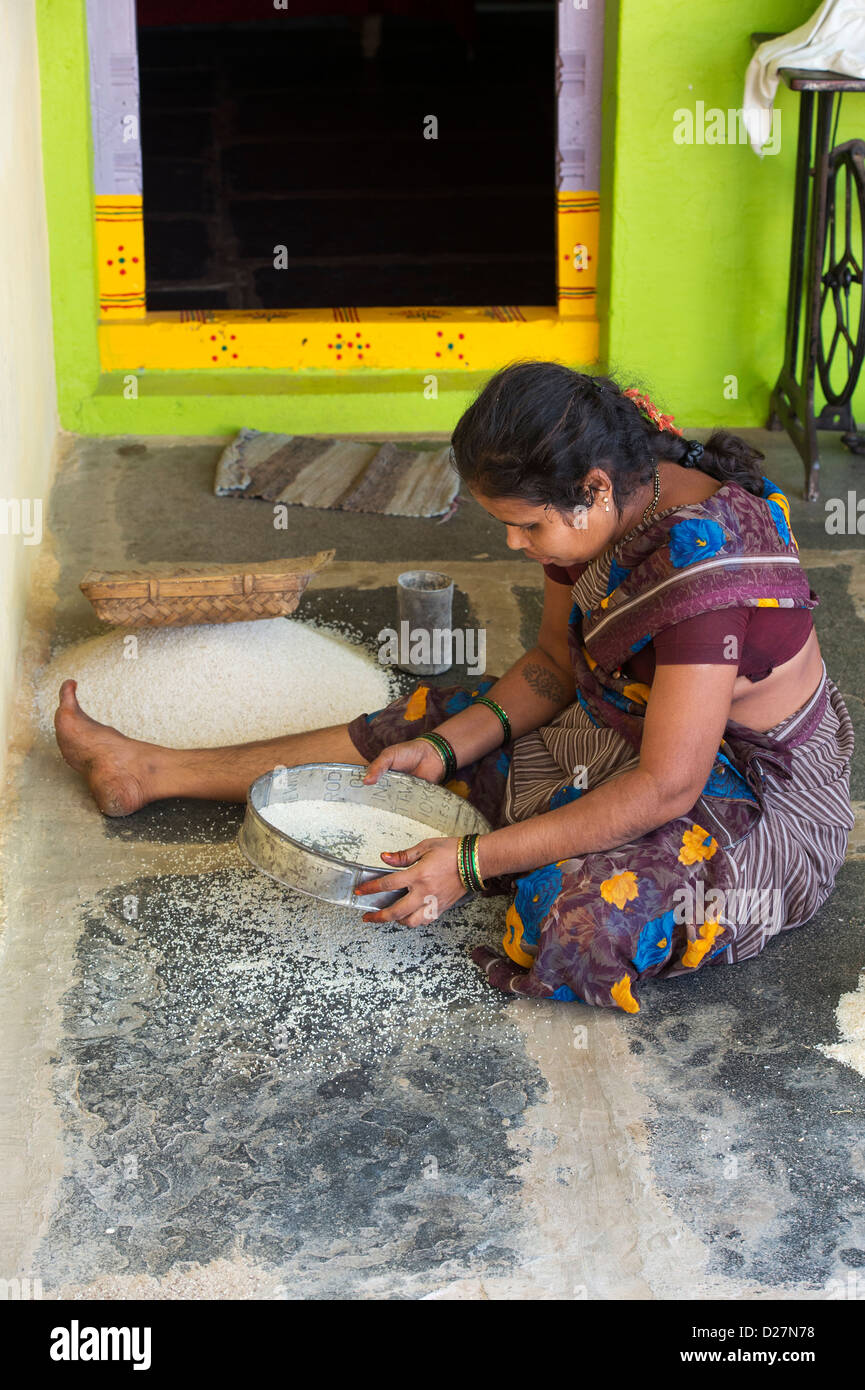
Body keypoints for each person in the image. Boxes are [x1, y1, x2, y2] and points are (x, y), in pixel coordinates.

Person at [54, 363, 854, 1013]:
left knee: (574, 920)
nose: (513, 543)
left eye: (527, 526)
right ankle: (153, 769)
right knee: (428, 724)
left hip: (752, 794)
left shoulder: (702, 569)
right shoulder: (592, 518)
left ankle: (494, 848)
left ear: (597, 488)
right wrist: (442, 748)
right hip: (639, 738)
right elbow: (550, 665)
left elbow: (667, 786)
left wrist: (469, 863)